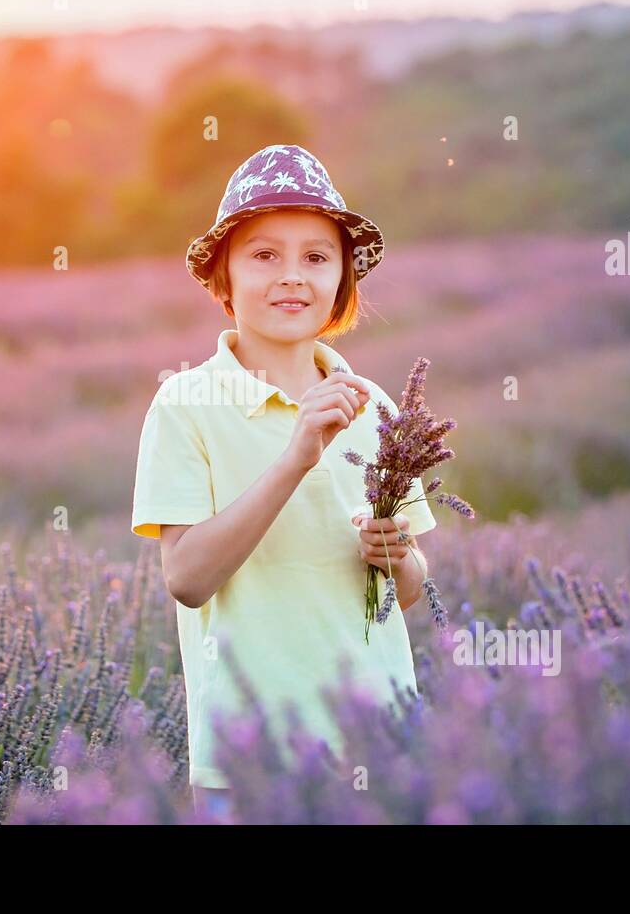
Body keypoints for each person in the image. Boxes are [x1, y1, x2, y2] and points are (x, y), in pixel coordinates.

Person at [131, 143, 436, 812]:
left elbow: (409, 590)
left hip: (378, 746)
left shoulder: (379, 407)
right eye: (265, 255)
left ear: (341, 284)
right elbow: (187, 578)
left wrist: (397, 553)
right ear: (224, 278)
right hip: (250, 759)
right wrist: (298, 453)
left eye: (317, 258)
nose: (292, 277)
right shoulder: (186, 405)